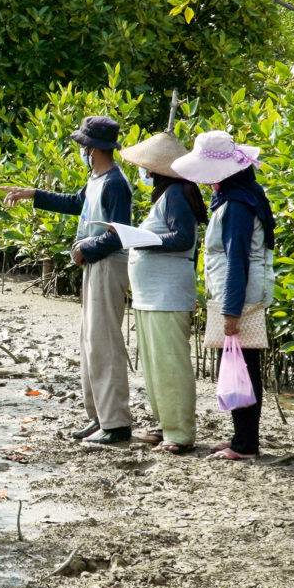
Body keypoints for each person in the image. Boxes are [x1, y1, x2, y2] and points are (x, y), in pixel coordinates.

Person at [0, 115, 133, 444]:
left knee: (104, 344)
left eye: (83, 146)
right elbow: (77, 204)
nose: (81, 150)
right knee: (90, 342)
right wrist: (33, 194)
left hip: (107, 264)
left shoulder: (116, 183)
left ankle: (116, 423)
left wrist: (84, 249)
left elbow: (120, 235)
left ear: (91, 148)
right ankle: (98, 416)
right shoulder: (96, 178)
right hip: (93, 263)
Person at [170, 131, 276, 461]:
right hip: (242, 294)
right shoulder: (243, 194)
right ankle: (241, 437)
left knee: (241, 367)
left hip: (240, 298)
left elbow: (237, 260)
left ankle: (245, 444)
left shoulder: (237, 206)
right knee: (239, 365)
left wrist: (231, 312)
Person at [117, 132, 204, 455]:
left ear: (157, 169)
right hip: (152, 295)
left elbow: (181, 239)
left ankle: (179, 433)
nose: (144, 172)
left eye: (147, 168)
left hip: (166, 295)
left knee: (170, 364)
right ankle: (164, 424)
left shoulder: (178, 195)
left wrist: (142, 240)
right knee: (155, 365)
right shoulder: (169, 194)